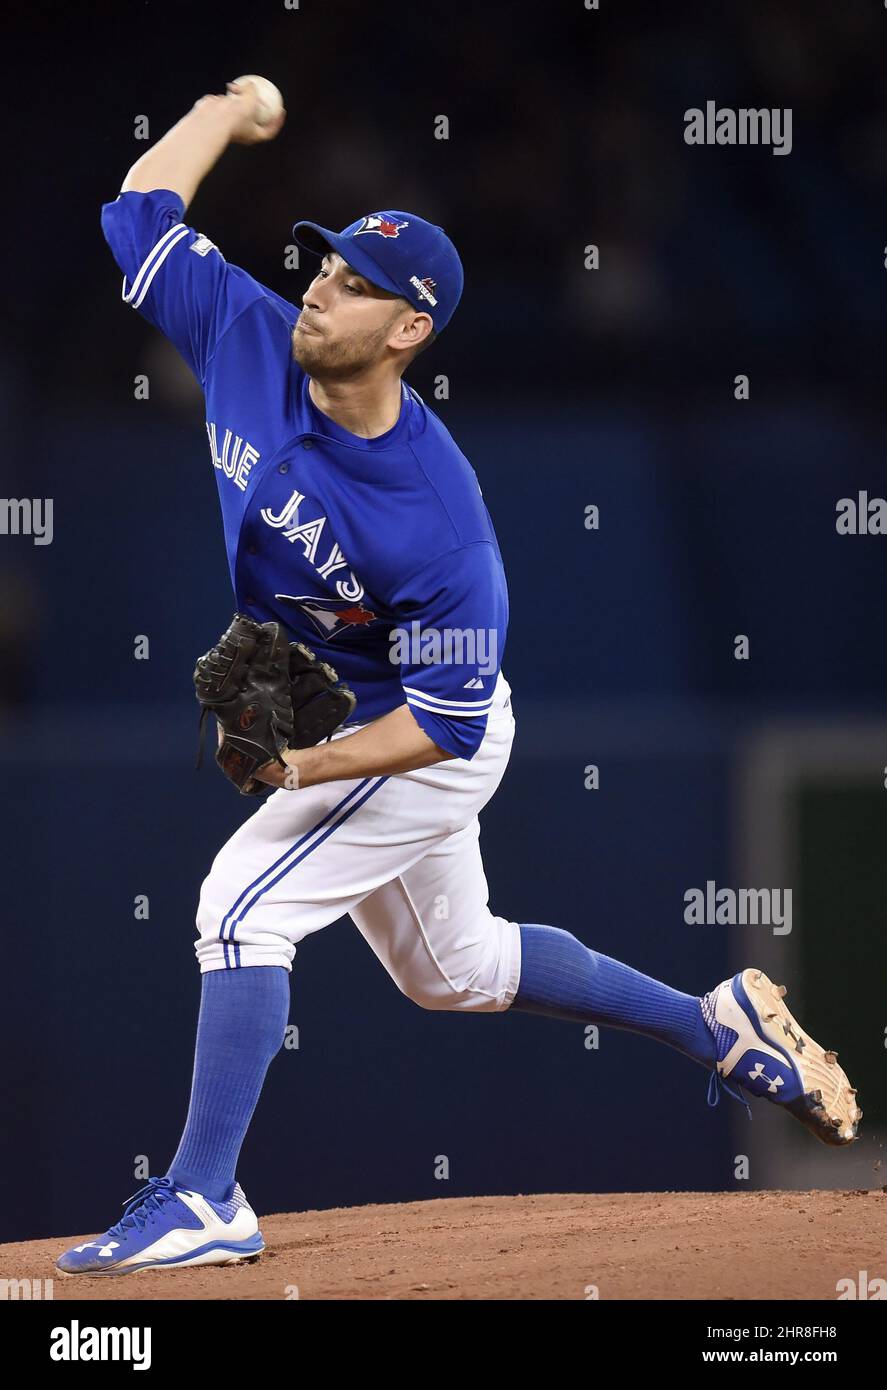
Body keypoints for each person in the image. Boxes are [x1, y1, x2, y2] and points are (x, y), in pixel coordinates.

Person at [57, 80, 860, 1278]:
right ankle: (714, 1024)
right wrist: (229, 107)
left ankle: (202, 1194)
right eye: (323, 266)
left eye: (354, 284)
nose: (322, 287)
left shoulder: (437, 522)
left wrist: (308, 764)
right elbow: (139, 205)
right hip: (359, 707)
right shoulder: (239, 329)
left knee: (240, 905)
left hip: (416, 736)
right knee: (457, 971)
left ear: (408, 333)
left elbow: (444, 722)